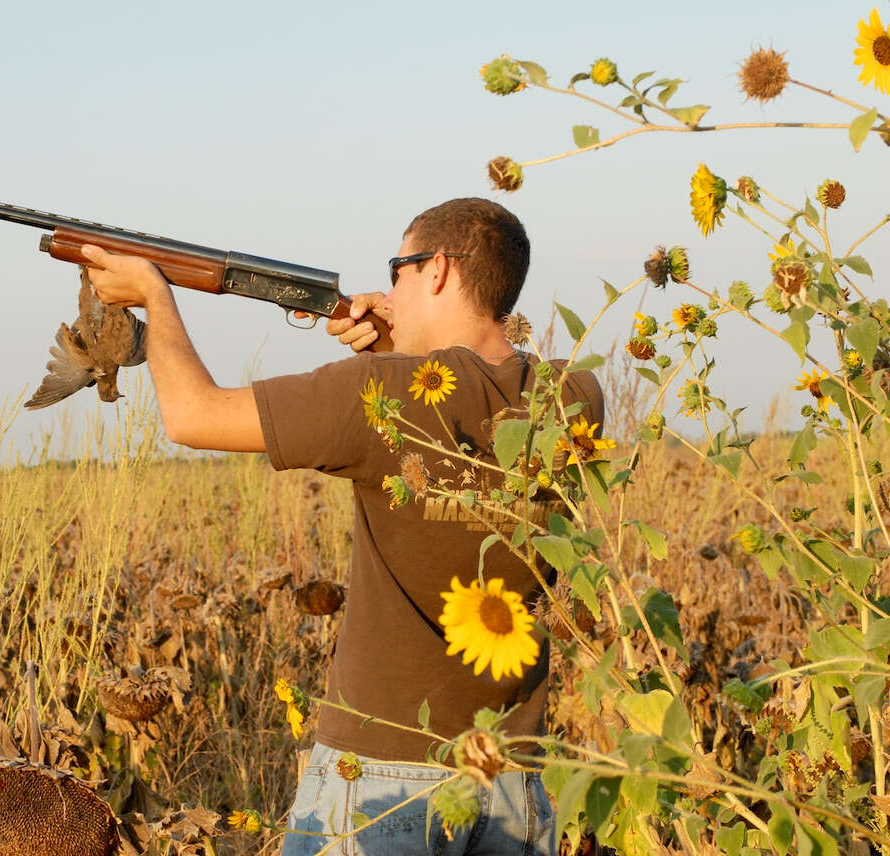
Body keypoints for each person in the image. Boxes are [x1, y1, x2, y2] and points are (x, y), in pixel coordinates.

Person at [79, 197, 603, 856]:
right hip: (513, 779)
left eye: (399, 271)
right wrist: (392, 348)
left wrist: (155, 297)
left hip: (381, 778)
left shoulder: (377, 394)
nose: (388, 292)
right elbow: (463, 412)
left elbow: (193, 415)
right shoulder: (576, 397)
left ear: (438, 269)